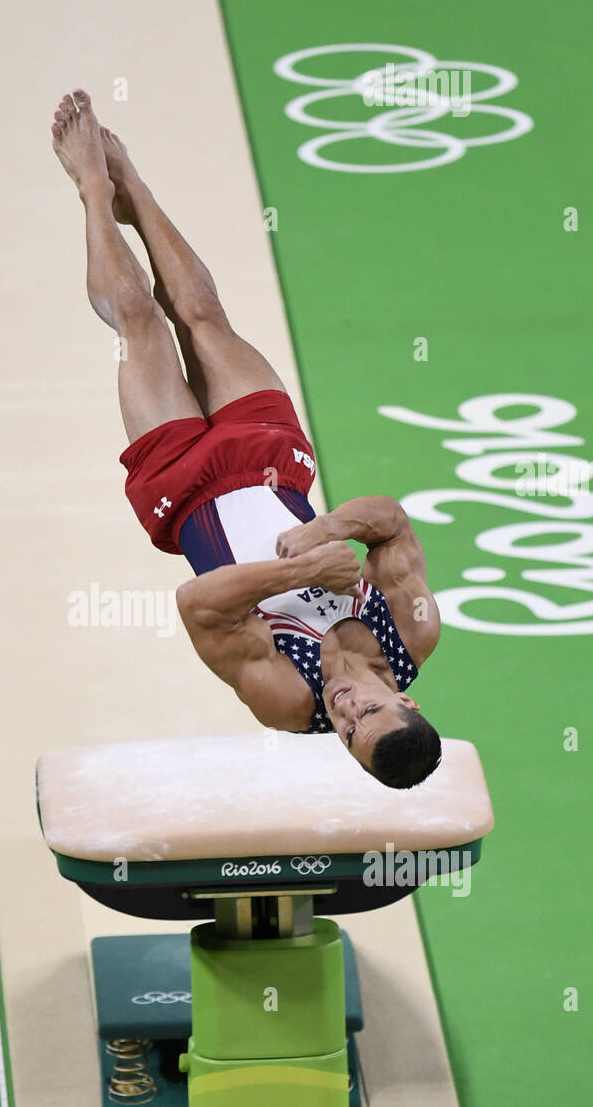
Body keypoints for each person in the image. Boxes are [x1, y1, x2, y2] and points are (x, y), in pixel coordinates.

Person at [52, 90, 441, 787]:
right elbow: (390, 520)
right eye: (371, 709)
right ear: (403, 697)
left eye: (347, 731)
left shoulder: (289, 702)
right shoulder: (411, 631)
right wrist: (327, 529)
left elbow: (196, 606)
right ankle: (131, 188)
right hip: (271, 465)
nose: (347, 708)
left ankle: (88, 188)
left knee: (139, 320)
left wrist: (300, 573)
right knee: (202, 314)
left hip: (186, 491)